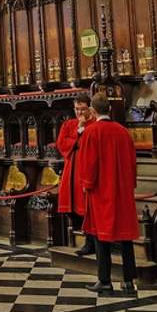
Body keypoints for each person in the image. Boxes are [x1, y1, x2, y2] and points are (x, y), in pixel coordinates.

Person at [78, 92, 140, 296]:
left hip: (100, 191)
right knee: (125, 238)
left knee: (100, 236)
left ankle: (104, 280)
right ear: (110, 109)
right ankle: (129, 281)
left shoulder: (91, 132)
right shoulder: (123, 131)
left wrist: (86, 184)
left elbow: (89, 163)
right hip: (122, 191)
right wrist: (130, 184)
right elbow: (132, 162)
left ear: (93, 111)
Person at [57, 94, 96, 258]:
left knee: (88, 208)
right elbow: (61, 144)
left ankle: (91, 241)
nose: (79, 112)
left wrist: (81, 131)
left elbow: (85, 143)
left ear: (90, 108)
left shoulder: (95, 124)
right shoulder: (69, 124)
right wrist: (78, 131)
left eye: (83, 109)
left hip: (85, 171)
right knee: (74, 208)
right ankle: (86, 239)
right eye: (77, 109)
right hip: (71, 172)